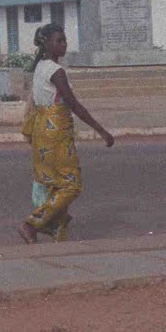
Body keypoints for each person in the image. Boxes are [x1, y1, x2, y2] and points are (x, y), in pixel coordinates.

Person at [17, 24, 114, 244]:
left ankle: (57, 230)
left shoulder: (41, 66)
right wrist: (102, 131)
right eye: (59, 41)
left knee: (55, 183)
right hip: (56, 133)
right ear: (47, 44)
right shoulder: (56, 71)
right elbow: (75, 105)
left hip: (42, 131)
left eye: (65, 40)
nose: (64, 44)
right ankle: (31, 224)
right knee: (72, 185)